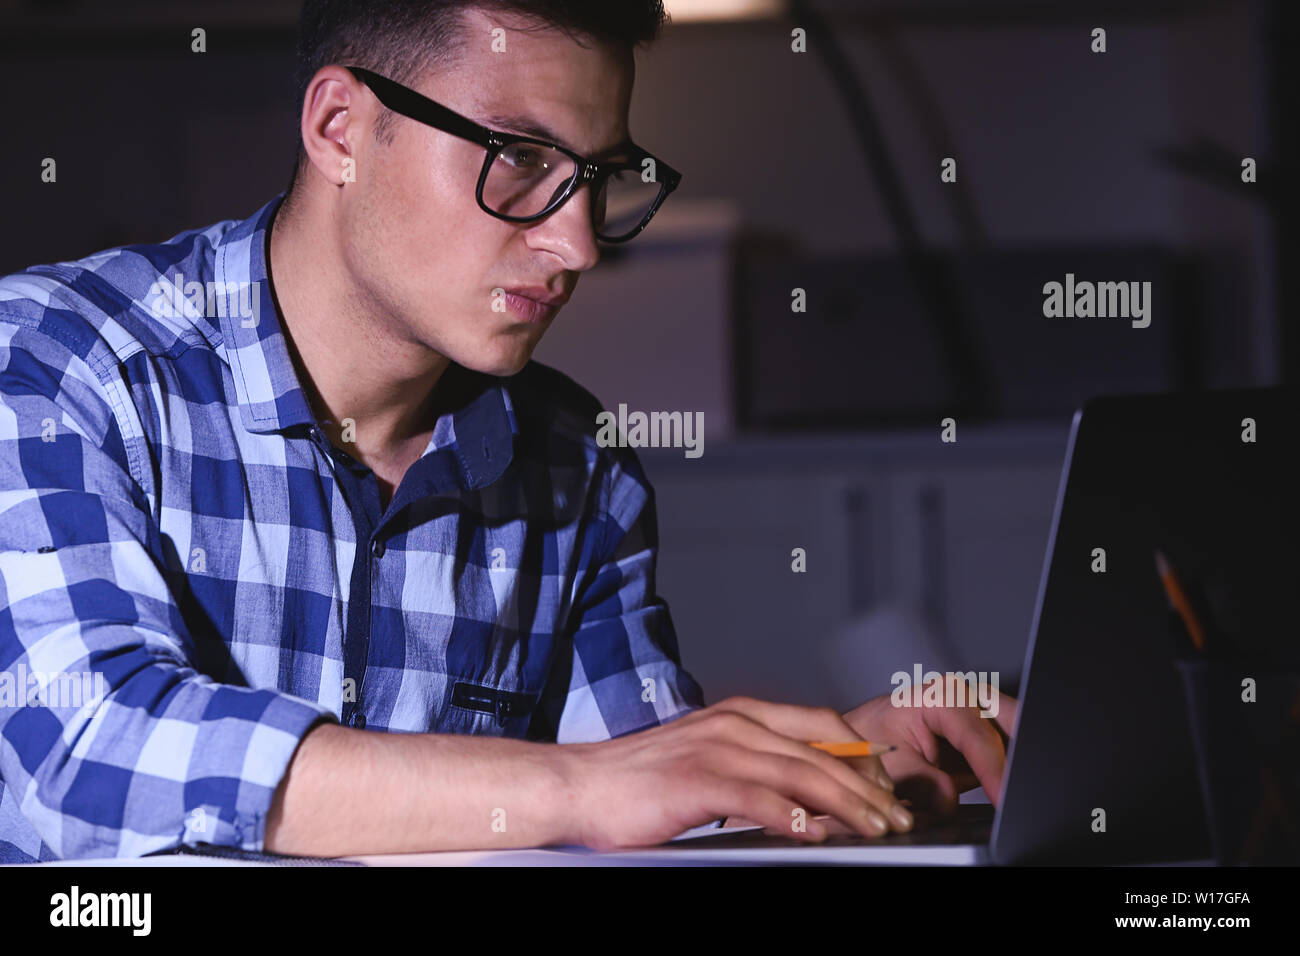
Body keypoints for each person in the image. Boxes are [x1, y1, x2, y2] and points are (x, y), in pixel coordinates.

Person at [0, 0, 1013, 862]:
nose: (574, 242)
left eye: (598, 177)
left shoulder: (576, 463)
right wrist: (576, 788)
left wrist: (832, 766)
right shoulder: (54, 366)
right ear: (341, 128)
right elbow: (81, 753)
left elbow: (641, 788)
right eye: (518, 158)